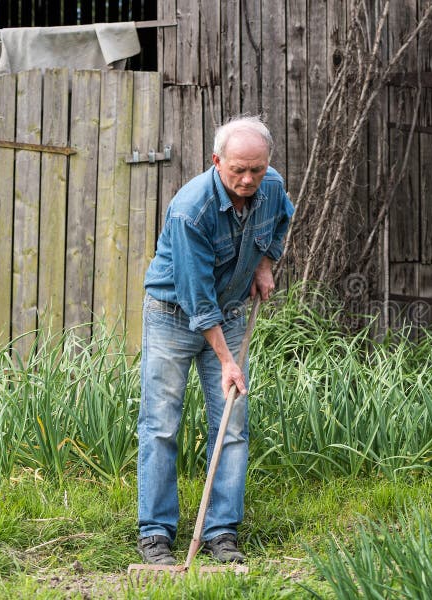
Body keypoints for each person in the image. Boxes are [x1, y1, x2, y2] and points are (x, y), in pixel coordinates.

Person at [137, 115, 294, 565]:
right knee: (162, 425)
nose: (248, 180)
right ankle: (156, 534)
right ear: (216, 161)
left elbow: (284, 215)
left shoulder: (271, 186)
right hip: (173, 315)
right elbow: (196, 299)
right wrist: (227, 360)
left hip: (228, 312)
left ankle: (221, 531)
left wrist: (265, 263)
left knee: (231, 425)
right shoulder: (192, 210)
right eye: (238, 170)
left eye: (257, 170)